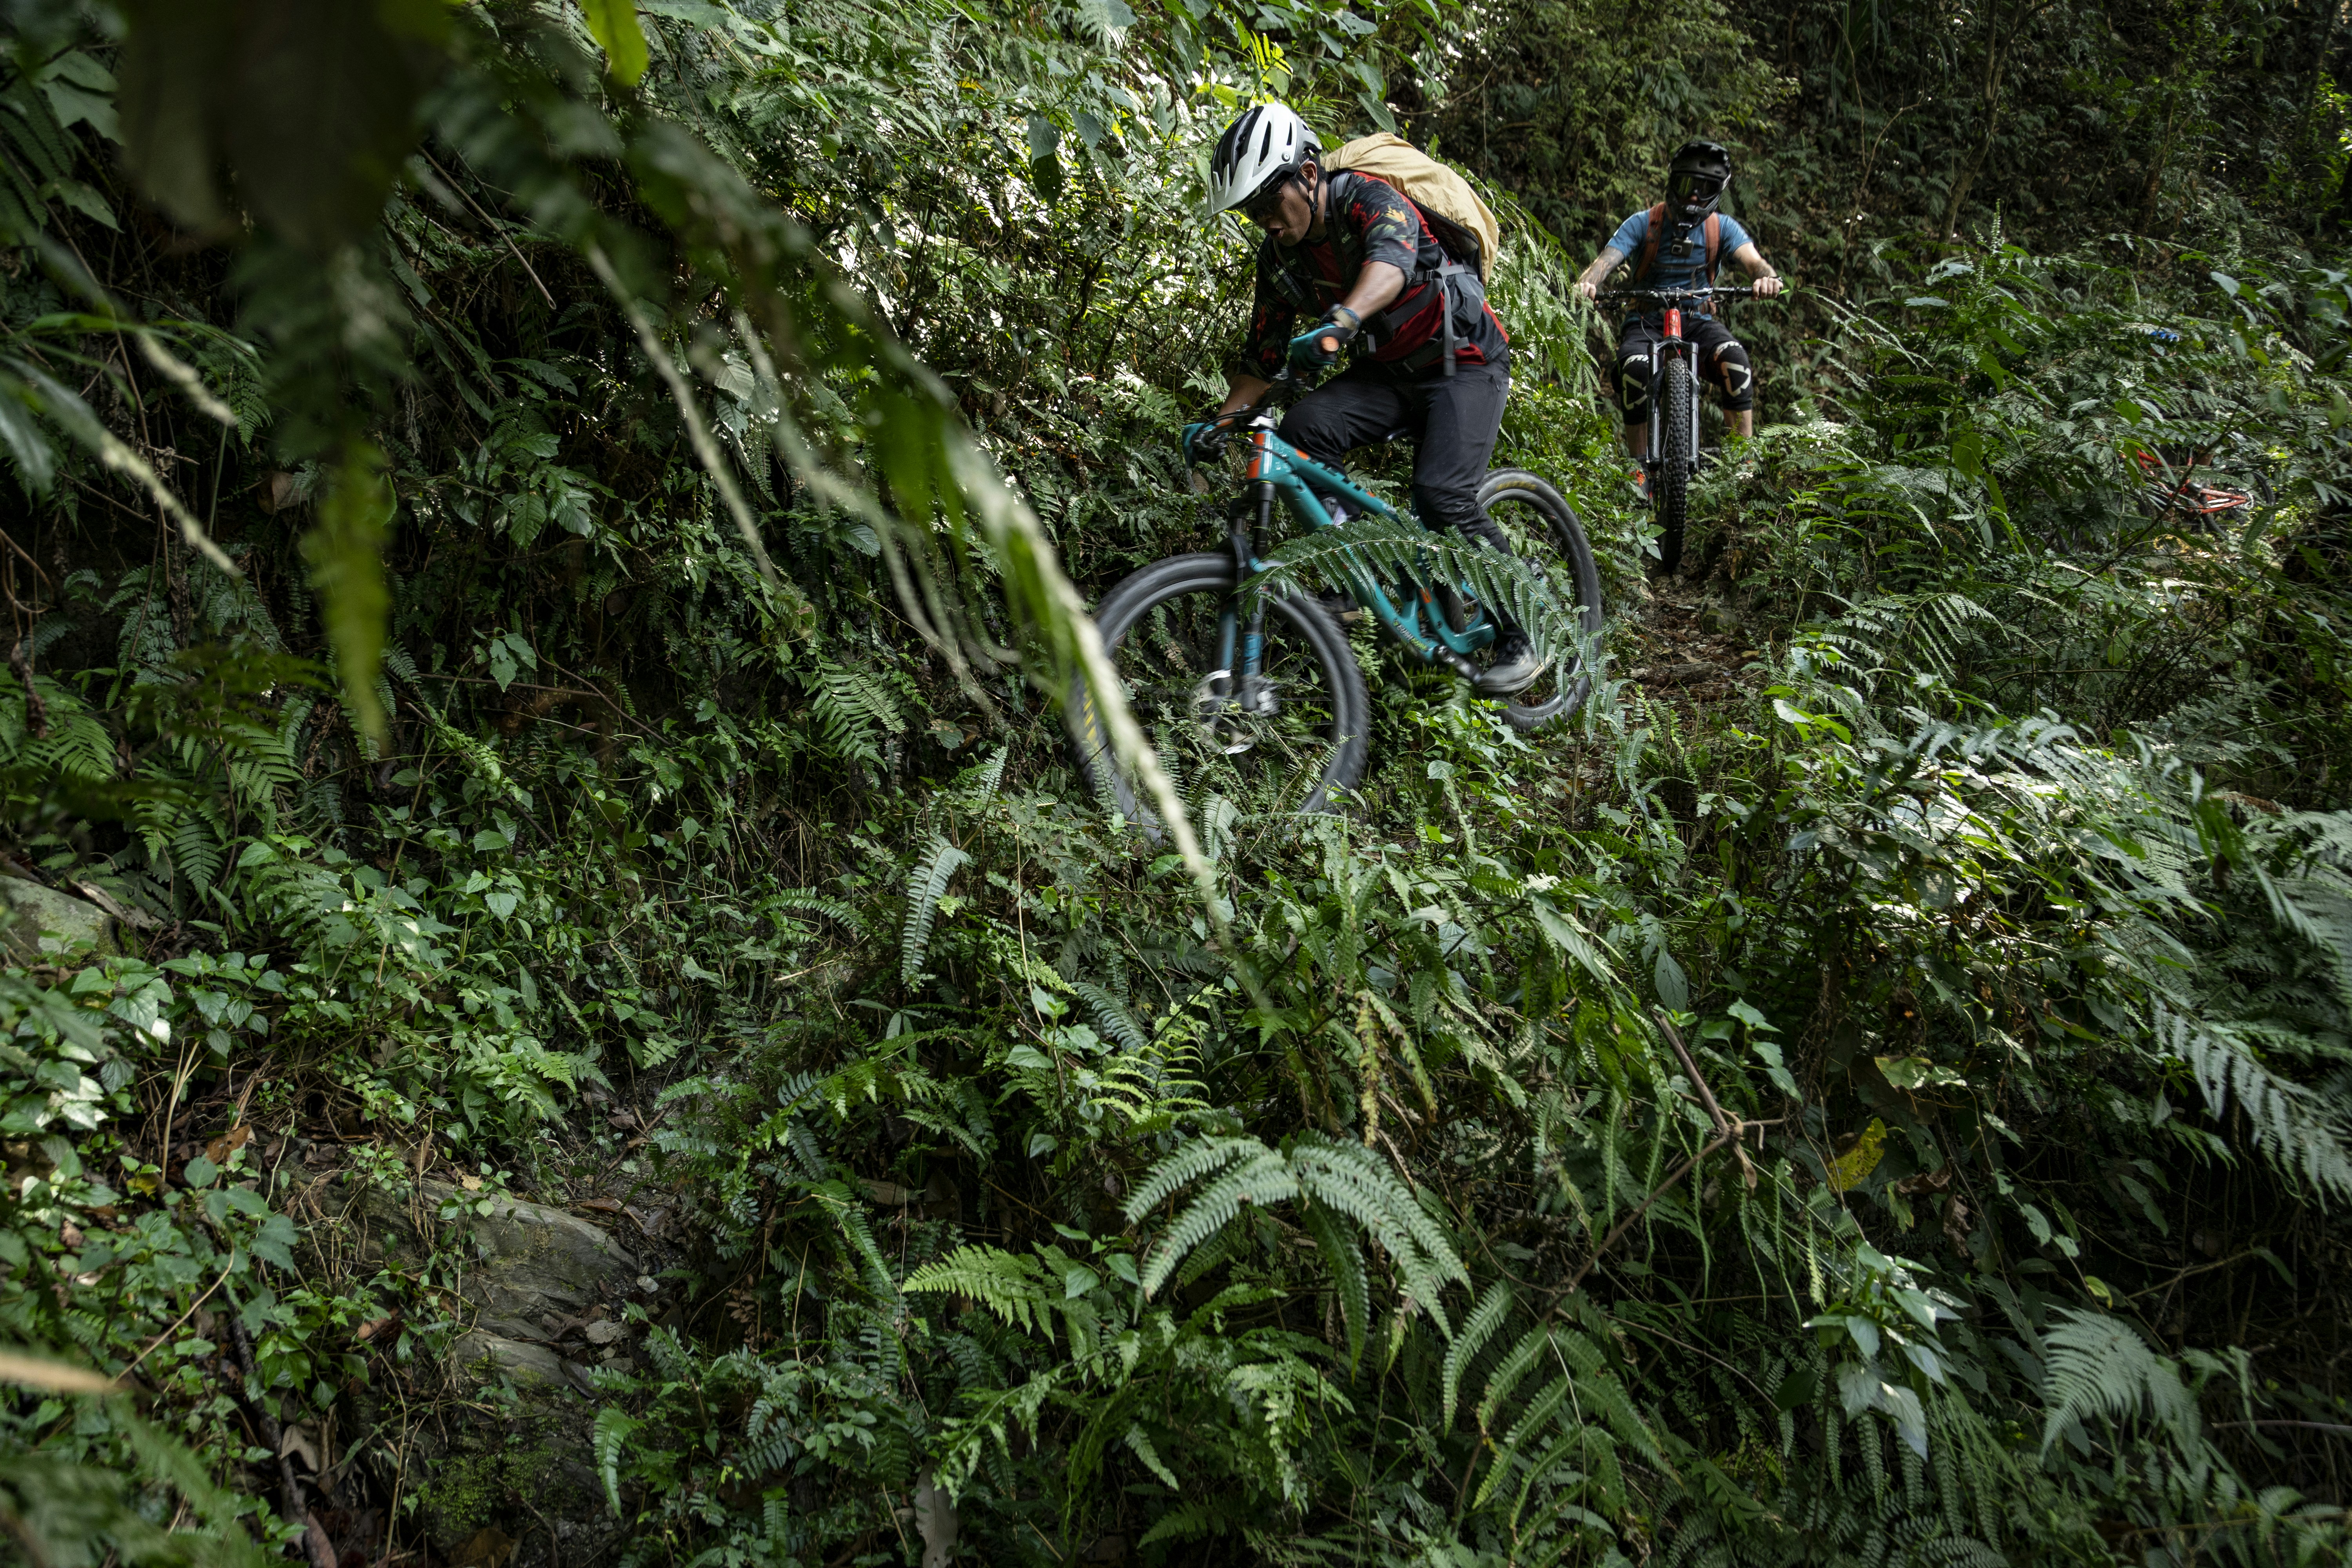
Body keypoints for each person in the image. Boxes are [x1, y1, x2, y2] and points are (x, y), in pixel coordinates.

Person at [1185, 102, 1541, 697]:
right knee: (1302, 427)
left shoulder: (1366, 198)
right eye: (1253, 213)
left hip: (1464, 363)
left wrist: (1342, 320)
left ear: (1306, 174)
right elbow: (1261, 362)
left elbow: (1393, 263)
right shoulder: (1280, 261)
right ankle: (1357, 567)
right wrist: (1219, 424)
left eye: (1271, 202)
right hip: (1390, 374)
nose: (1266, 221)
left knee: (1440, 494)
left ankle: (1522, 625)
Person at [1576, 140, 1782, 470]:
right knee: (1635, 370)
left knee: (1736, 362)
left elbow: (1755, 263)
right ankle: (1638, 470)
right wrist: (1589, 282)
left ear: (1718, 192)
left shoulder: (1721, 227)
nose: (1695, 198)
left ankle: (1740, 469)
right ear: (1673, 182)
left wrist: (1766, 279)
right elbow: (1605, 262)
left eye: (1706, 189)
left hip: (1698, 319)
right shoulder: (1644, 223)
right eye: (1688, 186)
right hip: (1647, 320)